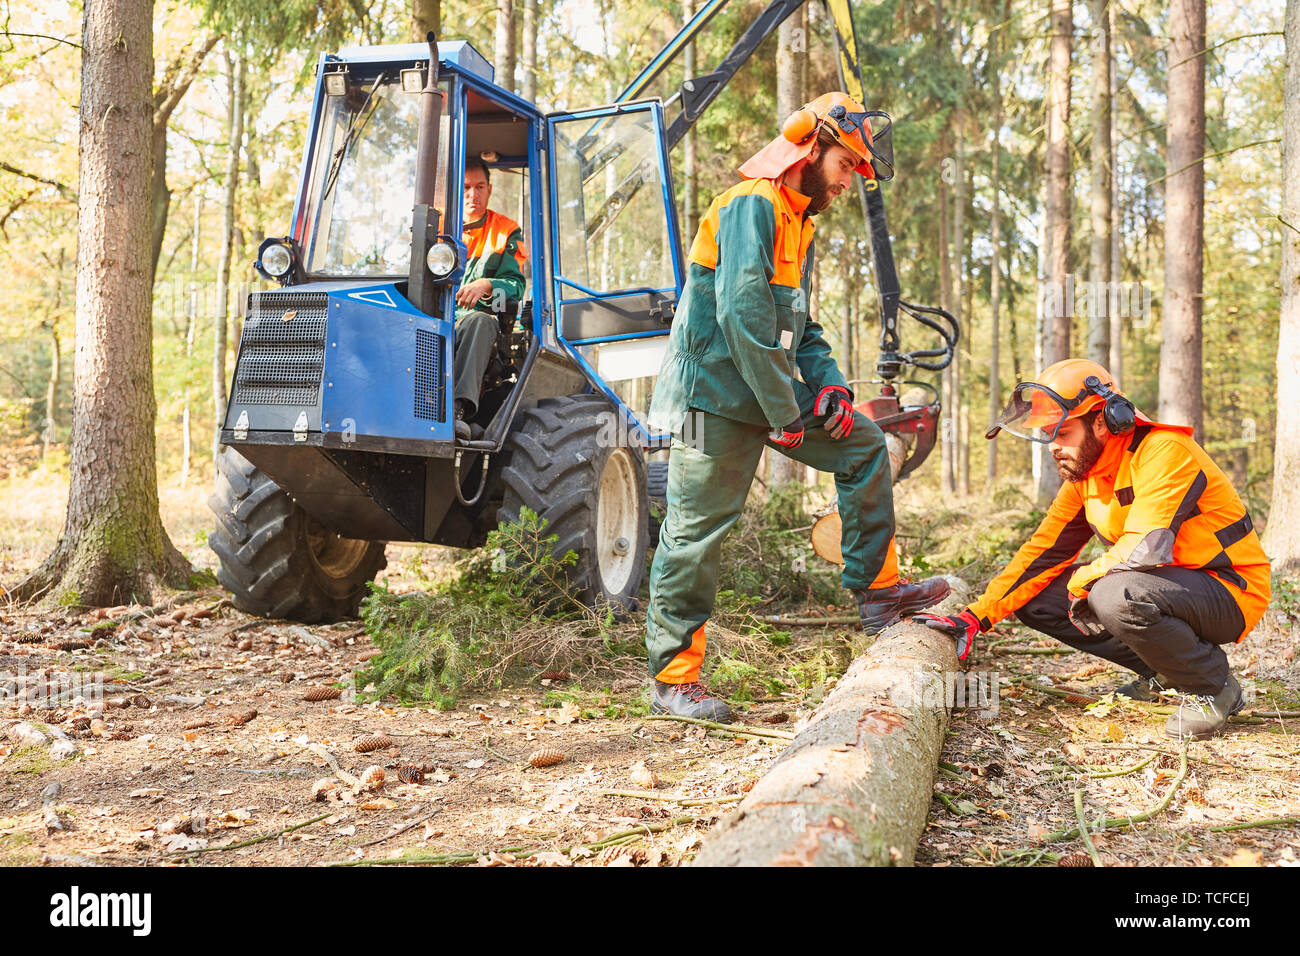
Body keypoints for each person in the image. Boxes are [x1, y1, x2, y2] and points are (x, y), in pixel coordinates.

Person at [644, 93, 951, 722]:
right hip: (713, 400)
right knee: (695, 532)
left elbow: (799, 328)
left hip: (767, 396)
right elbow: (743, 316)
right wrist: (787, 415)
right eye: (845, 166)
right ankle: (674, 679)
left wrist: (830, 386)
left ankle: (878, 591)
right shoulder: (750, 206)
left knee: (863, 444)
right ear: (811, 149)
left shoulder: (796, 219)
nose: (846, 183)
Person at [918, 359, 1271, 739]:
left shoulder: (1164, 451)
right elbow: (1043, 552)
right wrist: (975, 617)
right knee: (1036, 597)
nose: (1054, 447)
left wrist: (1083, 581)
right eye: (1049, 435)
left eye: (1063, 432)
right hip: (1166, 588)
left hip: (1229, 589)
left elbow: (1146, 547)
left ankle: (1212, 687)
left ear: (1102, 421)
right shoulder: (1086, 476)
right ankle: (1166, 671)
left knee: (1114, 594)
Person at [453, 157, 528, 440]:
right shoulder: (435, 229)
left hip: (477, 325)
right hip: (437, 318)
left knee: (482, 322)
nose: (474, 194)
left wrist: (486, 284)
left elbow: (516, 286)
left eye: (480, 187)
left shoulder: (505, 231)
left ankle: (459, 410)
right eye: (467, 187)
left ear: (490, 190)